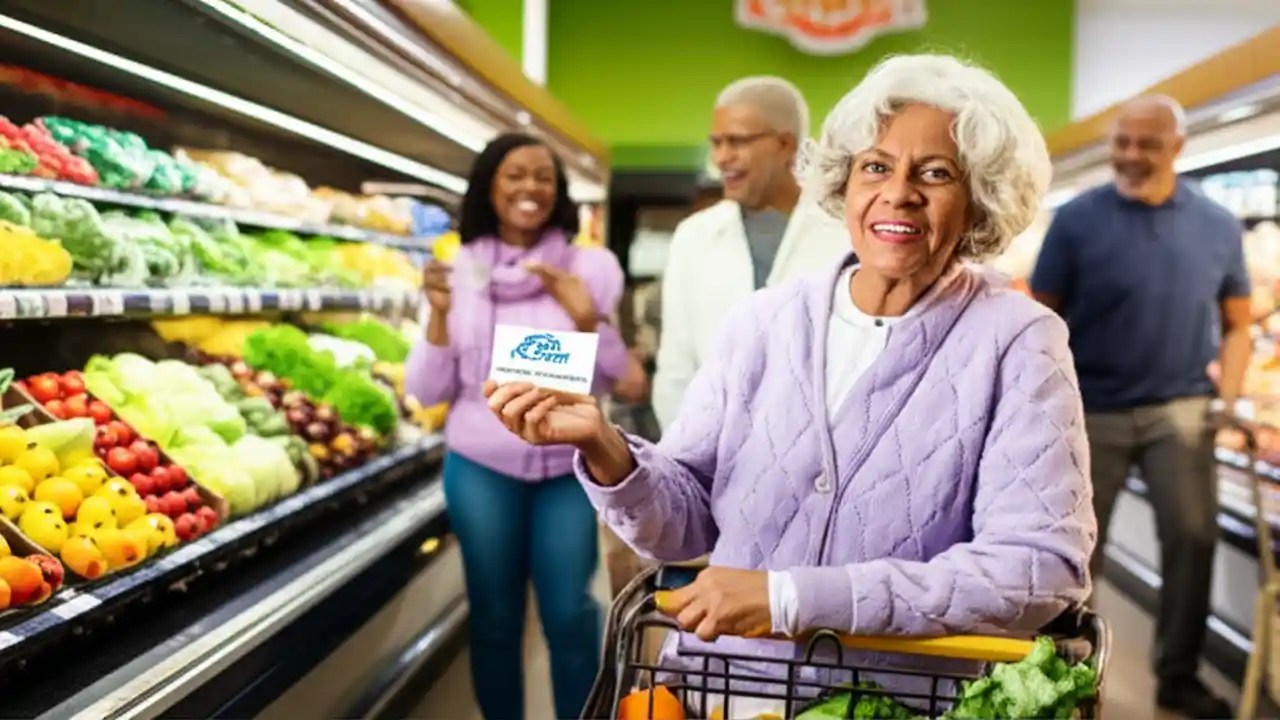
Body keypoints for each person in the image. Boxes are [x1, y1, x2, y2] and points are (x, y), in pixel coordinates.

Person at [484, 54, 1096, 704]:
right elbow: (683, 525)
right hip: (713, 693)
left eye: (936, 172)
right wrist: (605, 449)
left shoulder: (1018, 341)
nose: (899, 192)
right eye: (876, 166)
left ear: (981, 198)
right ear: (845, 181)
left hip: (888, 706)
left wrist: (792, 597)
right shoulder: (765, 321)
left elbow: (1038, 569)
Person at [405, 133, 643, 720]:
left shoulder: (592, 268)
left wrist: (586, 317)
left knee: (569, 613)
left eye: (543, 176)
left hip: (567, 468)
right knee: (493, 615)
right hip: (482, 468)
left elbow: (628, 382)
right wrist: (437, 314)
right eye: (515, 175)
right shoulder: (458, 268)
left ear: (558, 192)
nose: (530, 188)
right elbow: (429, 390)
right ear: (490, 185)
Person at [1030, 94, 1250, 718]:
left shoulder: (1217, 224)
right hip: (1089, 409)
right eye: (1121, 141)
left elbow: (1237, 323)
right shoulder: (1075, 220)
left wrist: (1228, 400)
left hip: (1181, 409)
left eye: (1146, 144)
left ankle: (1178, 676)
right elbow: (1041, 318)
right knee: (1072, 552)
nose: (1129, 155)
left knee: (1193, 537)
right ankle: (1059, 674)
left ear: (1178, 147)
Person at [651, 76, 849, 430]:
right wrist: (683, 459)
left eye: (737, 142)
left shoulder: (844, 232)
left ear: (785, 144)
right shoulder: (693, 237)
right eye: (716, 143)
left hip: (823, 444)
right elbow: (676, 368)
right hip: (712, 447)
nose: (722, 158)